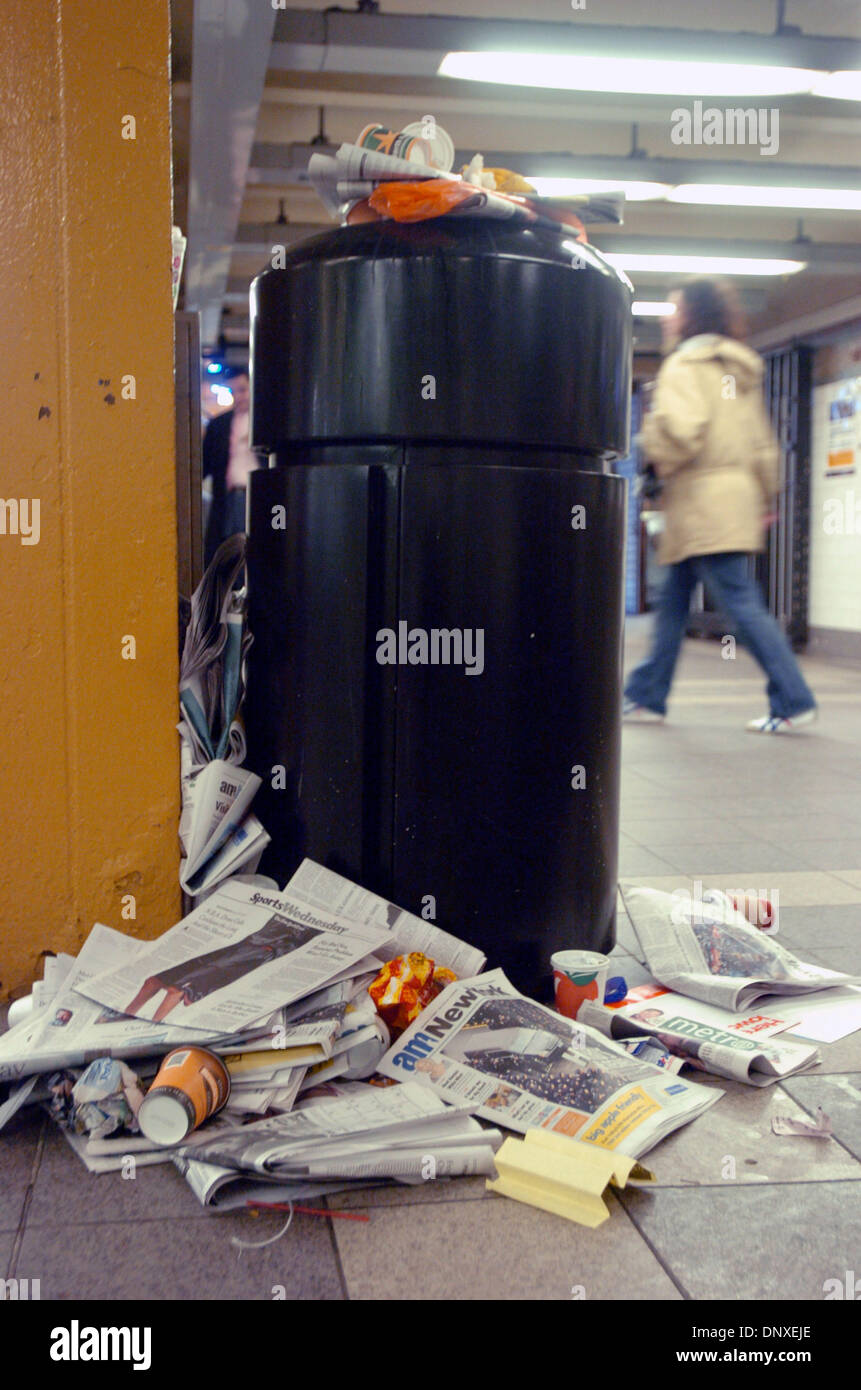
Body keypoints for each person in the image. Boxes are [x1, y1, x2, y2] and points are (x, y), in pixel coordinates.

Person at [624, 279, 817, 734]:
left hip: (700, 499)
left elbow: (683, 430)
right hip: (731, 496)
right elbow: (761, 442)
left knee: (740, 604)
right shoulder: (738, 371)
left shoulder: (686, 365)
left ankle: (793, 698)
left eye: (674, 308)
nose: (669, 316)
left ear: (691, 314)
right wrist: (765, 494)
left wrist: (648, 443)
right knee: (672, 601)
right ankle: (647, 696)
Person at [202, 369, 262, 566]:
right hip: (227, 498)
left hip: (259, 497)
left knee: (256, 552)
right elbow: (203, 465)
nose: (238, 396)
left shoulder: (265, 421)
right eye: (233, 392)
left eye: (242, 390)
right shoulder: (219, 425)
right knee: (227, 554)